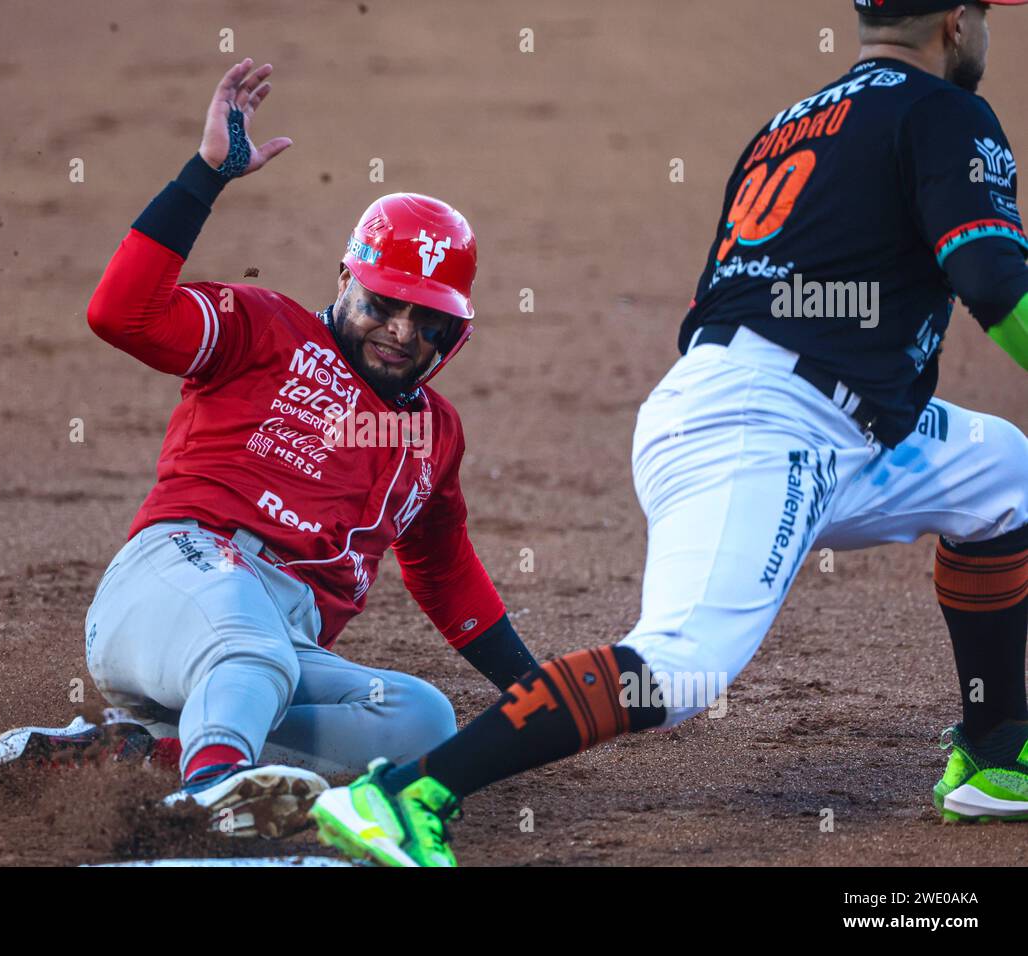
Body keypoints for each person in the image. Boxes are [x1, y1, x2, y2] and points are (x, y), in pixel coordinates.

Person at [310, 0, 1028, 866]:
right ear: (956, 22)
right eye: (986, 13)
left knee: (1003, 475)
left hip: (810, 411)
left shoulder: (789, 125)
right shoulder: (946, 112)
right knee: (682, 668)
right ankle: (403, 794)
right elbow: (991, 278)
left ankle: (995, 757)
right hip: (765, 427)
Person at [0, 59, 537, 837]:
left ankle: (146, 757)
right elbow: (120, 316)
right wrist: (204, 176)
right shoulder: (261, 327)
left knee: (420, 722)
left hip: (279, 645)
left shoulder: (434, 432)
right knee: (246, 633)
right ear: (345, 279)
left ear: (457, 328)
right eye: (383, 304)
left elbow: (443, 573)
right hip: (177, 582)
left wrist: (537, 690)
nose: (403, 332)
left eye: (429, 319)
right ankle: (216, 794)